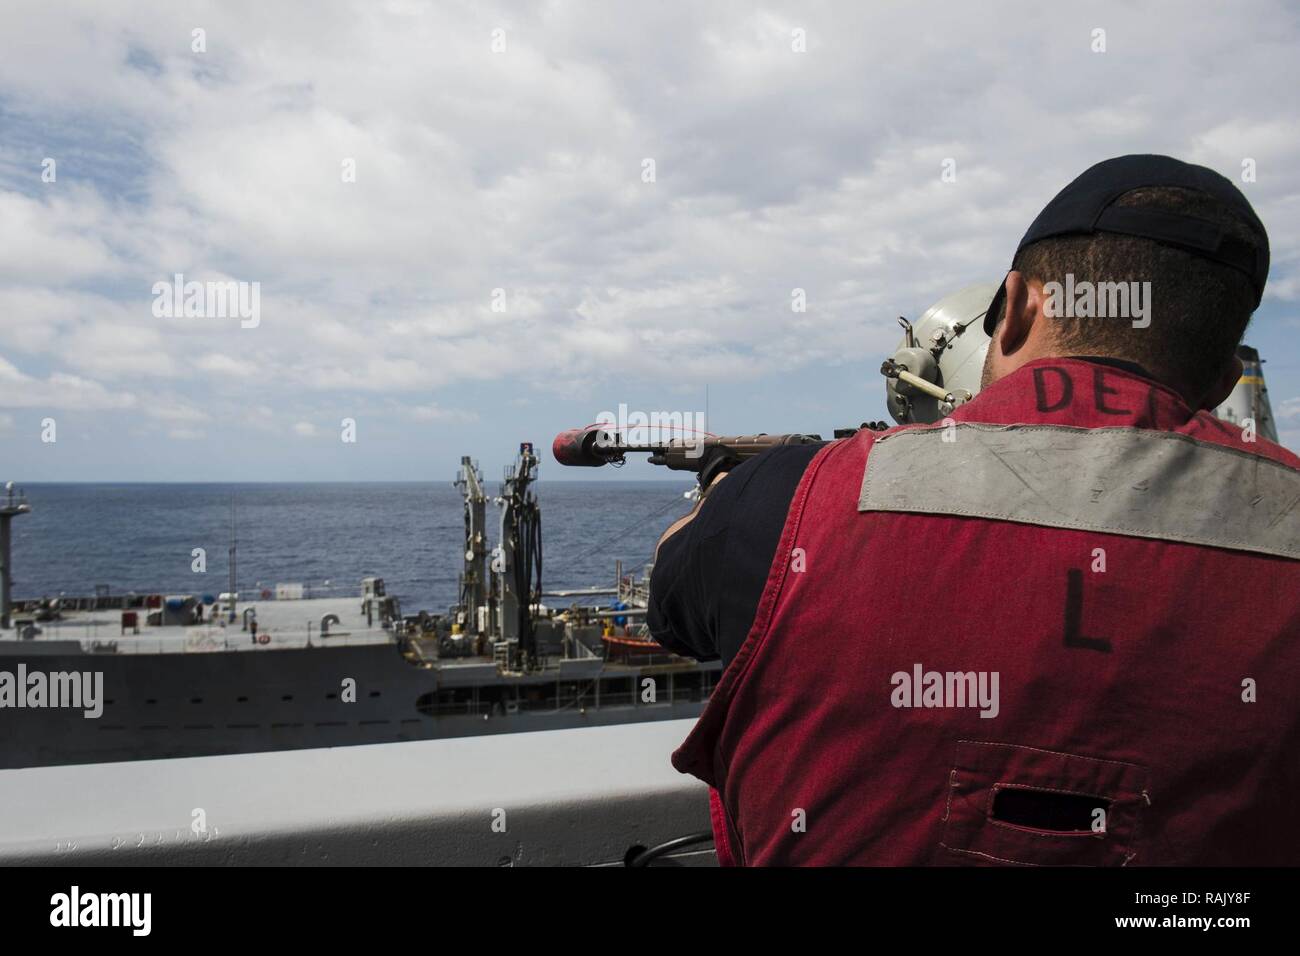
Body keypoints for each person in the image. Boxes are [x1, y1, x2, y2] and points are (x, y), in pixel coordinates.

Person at [648, 154, 1300, 866]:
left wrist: (725, 490)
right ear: (1224, 379)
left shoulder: (786, 500)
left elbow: (673, 601)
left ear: (1015, 310)